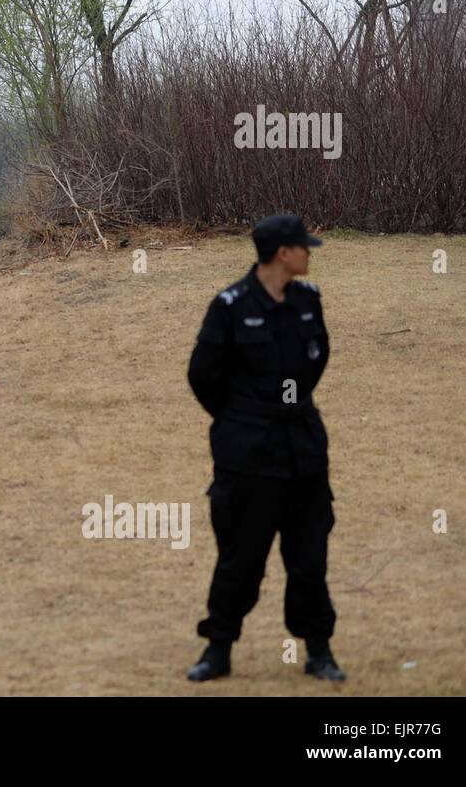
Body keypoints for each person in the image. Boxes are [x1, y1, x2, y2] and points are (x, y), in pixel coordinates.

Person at [185, 214, 345, 682]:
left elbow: (316, 361)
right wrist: (240, 418)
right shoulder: (230, 306)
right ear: (282, 254)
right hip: (249, 458)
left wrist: (287, 404)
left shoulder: (308, 301)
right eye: (303, 246)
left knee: (309, 558)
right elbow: (202, 376)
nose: (309, 253)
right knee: (240, 556)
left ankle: (319, 651)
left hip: (303, 453)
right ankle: (218, 651)